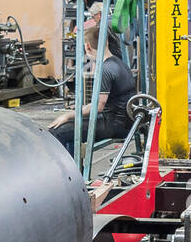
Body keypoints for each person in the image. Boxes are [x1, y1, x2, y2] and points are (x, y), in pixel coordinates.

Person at [48, 24, 135, 157]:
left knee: (57, 131)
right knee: (71, 127)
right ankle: (75, 164)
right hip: (125, 122)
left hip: (114, 125)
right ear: (106, 42)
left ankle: (69, 169)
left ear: (87, 46)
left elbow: (98, 106)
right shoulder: (119, 63)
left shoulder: (105, 69)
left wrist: (67, 115)